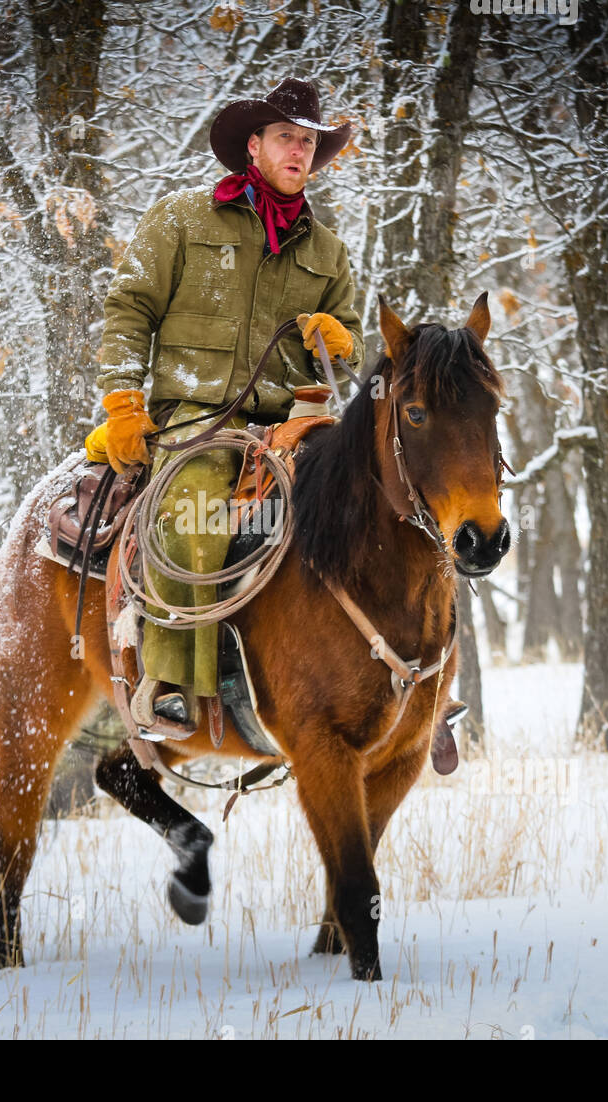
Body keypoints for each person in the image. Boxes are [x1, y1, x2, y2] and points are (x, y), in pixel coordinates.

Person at [86, 78, 364, 729]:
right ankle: (175, 680)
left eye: (309, 142)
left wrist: (340, 338)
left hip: (294, 421)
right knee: (195, 513)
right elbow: (130, 307)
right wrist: (125, 402)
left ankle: (390, 679)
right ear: (254, 145)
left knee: (374, 504)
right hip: (199, 416)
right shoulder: (182, 219)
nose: (300, 150)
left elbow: (348, 343)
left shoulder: (328, 252)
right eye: (287, 137)